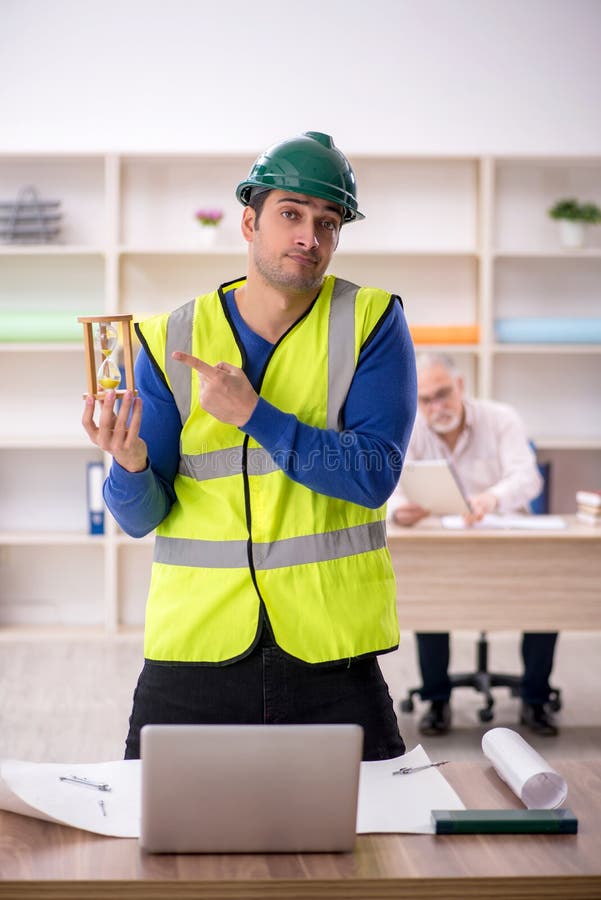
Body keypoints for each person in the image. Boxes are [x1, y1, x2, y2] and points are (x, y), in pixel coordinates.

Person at [82, 131, 417, 761]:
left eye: (328, 222)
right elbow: (138, 518)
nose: (308, 238)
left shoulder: (371, 321)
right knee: (158, 843)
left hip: (331, 652)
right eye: (291, 213)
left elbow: (374, 475)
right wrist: (128, 467)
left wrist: (256, 416)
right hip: (194, 649)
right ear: (248, 221)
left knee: (375, 846)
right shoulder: (167, 338)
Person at [390, 352, 559, 737]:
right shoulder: (411, 426)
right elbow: (390, 489)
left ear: (461, 387)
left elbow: (528, 478)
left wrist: (492, 499)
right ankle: (436, 699)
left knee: (547, 598)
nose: (436, 407)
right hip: (442, 547)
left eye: (443, 394)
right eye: (426, 399)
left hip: (507, 540)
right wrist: (399, 511)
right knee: (431, 601)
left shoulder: (501, 419)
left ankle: (536, 700)